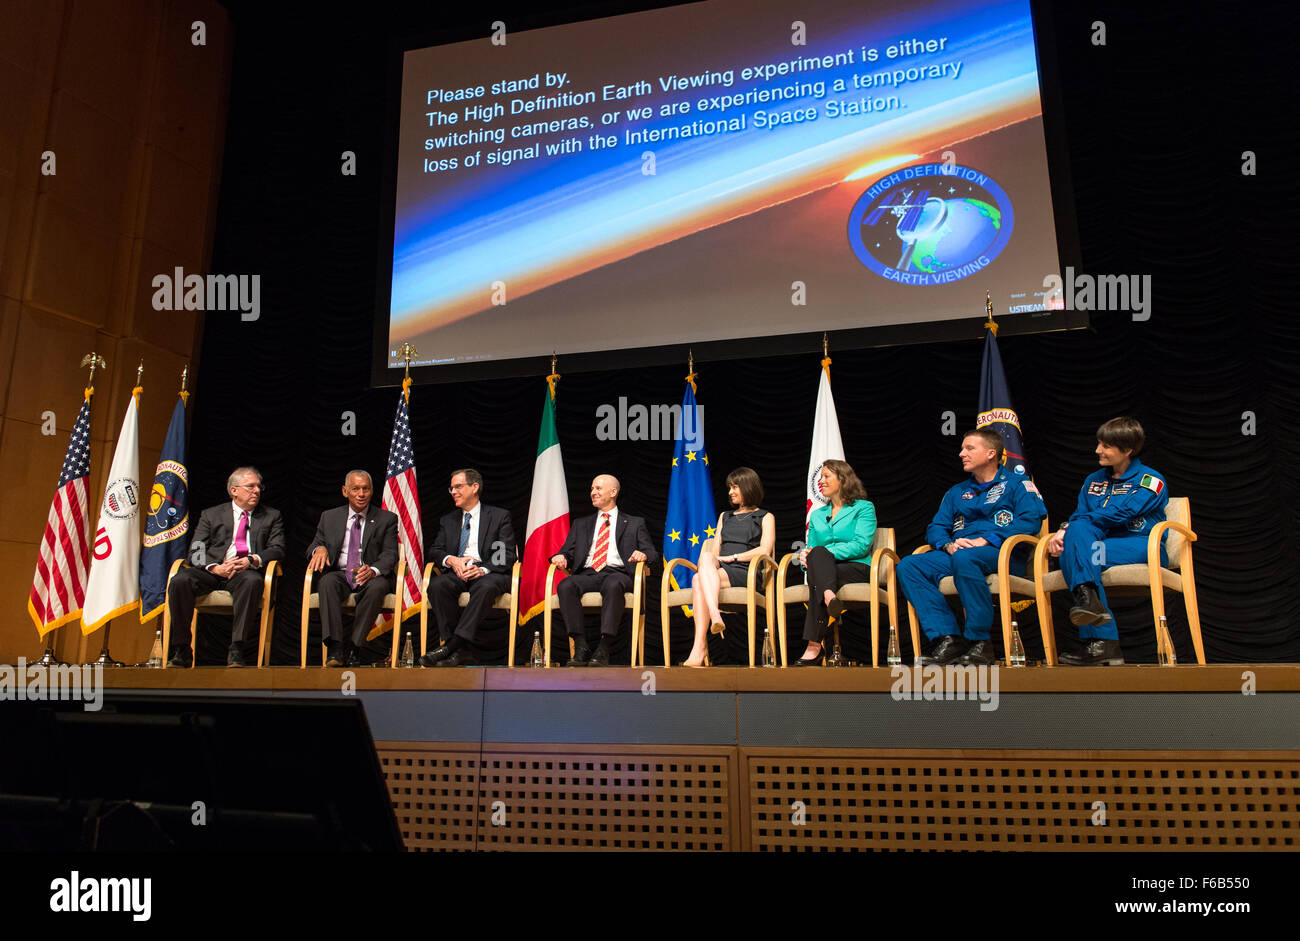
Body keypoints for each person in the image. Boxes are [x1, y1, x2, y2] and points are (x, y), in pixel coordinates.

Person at [896, 430, 1045, 666]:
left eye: (969, 448)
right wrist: (948, 544)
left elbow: (1030, 520)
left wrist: (987, 540)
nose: (961, 453)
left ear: (991, 453)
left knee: (966, 559)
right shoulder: (957, 492)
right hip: (960, 554)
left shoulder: (1017, 484)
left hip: (1002, 554)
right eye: (962, 448)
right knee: (909, 566)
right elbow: (936, 527)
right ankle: (948, 638)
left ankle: (979, 642)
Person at [1046, 417, 1169, 666]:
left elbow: (1121, 513)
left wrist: (1068, 531)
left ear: (1127, 450)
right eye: (1098, 444)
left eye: (1105, 446)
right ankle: (1093, 615)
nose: (1097, 450)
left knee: (1078, 546)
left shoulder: (1151, 480)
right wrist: (1068, 528)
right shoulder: (1093, 481)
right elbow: (1079, 515)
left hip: (1140, 545)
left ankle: (1101, 637)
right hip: (1099, 549)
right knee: (1083, 547)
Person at [166, 466, 285, 667]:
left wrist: (252, 559)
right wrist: (214, 567)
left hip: (244, 572)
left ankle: (237, 648)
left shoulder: (271, 516)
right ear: (234, 490)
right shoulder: (211, 514)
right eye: (251, 486)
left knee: (252, 582)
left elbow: (278, 549)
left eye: (259, 486)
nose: (257, 490)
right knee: (180, 580)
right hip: (213, 572)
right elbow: (196, 551)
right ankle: (181, 648)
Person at [550, 474, 658, 666]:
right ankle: (581, 645)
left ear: (613, 492)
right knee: (566, 584)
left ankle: (604, 647)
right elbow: (566, 551)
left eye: (598, 488)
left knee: (613, 583)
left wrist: (643, 555)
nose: (593, 492)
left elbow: (652, 552)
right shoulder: (581, 524)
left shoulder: (634, 523)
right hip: (588, 574)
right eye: (592, 489)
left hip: (618, 573)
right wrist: (561, 557)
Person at [418, 469, 517, 668]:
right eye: (451, 488)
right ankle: (460, 652)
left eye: (458, 487)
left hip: (488, 572)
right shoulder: (448, 520)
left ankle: (451, 645)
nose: (453, 492)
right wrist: (451, 560)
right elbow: (436, 551)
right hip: (458, 571)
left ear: (474, 487)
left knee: (486, 587)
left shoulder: (498, 516)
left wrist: (484, 569)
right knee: (437, 586)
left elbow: (505, 553)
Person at [679, 467, 776, 667]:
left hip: (747, 571)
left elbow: (765, 550)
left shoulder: (766, 517)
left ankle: (699, 647)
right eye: (729, 488)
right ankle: (714, 615)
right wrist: (715, 560)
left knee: (698, 581)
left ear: (748, 487)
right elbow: (715, 551)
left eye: (735, 487)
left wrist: (733, 557)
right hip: (721, 567)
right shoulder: (725, 516)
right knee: (705, 559)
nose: (730, 492)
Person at [306, 470, 399, 667]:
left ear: (372, 491)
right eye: (355, 489)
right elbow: (314, 545)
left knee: (378, 587)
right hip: (340, 575)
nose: (361, 494)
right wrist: (319, 549)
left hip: (370, 576)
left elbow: (390, 554)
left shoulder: (387, 518)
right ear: (345, 491)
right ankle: (335, 648)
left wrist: (373, 570)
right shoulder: (329, 517)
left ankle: (356, 647)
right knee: (326, 582)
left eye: (365, 489)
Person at [792, 459, 877, 666]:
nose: (821, 481)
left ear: (843, 479)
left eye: (826, 476)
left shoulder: (863, 508)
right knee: (818, 567)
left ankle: (814, 645)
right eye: (820, 477)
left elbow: (861, 545)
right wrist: (805, 558)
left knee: (819, 570)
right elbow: (811, 548)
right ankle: (830, 597)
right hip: (824, 571)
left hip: (857, 567)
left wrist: (819, 555)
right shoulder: (817, 515)